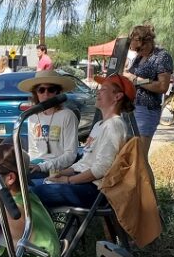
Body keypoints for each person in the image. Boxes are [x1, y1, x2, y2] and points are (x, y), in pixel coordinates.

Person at [32, 73, 133, 210]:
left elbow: (101, 169)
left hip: (94, 189)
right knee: (29, 186)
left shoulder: (114, 125)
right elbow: (84, 162)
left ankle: (43, 231)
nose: (97, 92)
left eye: (103, 89)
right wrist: (63, 173)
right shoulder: (99, 125)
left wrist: (68, 180)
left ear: (117, 96)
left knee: (34, 194)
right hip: (80, 180)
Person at [16, 69, 80, 178]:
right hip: (37, 164)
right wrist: (31, 165)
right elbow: (33, 150)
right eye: (41, 90)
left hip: (56, 168)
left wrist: (43, 166)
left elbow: (70, 154)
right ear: (36, 93)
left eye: (51, 89)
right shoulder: (33, 116)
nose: (46, 94)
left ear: (57, 92)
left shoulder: (67, 115)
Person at [123, 24, 173, 157]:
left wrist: (135, 79)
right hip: (132, 108)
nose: (137, 51)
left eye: (139, 48)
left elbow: (163, 86)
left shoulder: (162, 56)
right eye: (135, 49)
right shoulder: (139, 57)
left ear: (149, 41)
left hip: (146, 110)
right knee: (132, 157)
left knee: (140, 158)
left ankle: (145, 179)